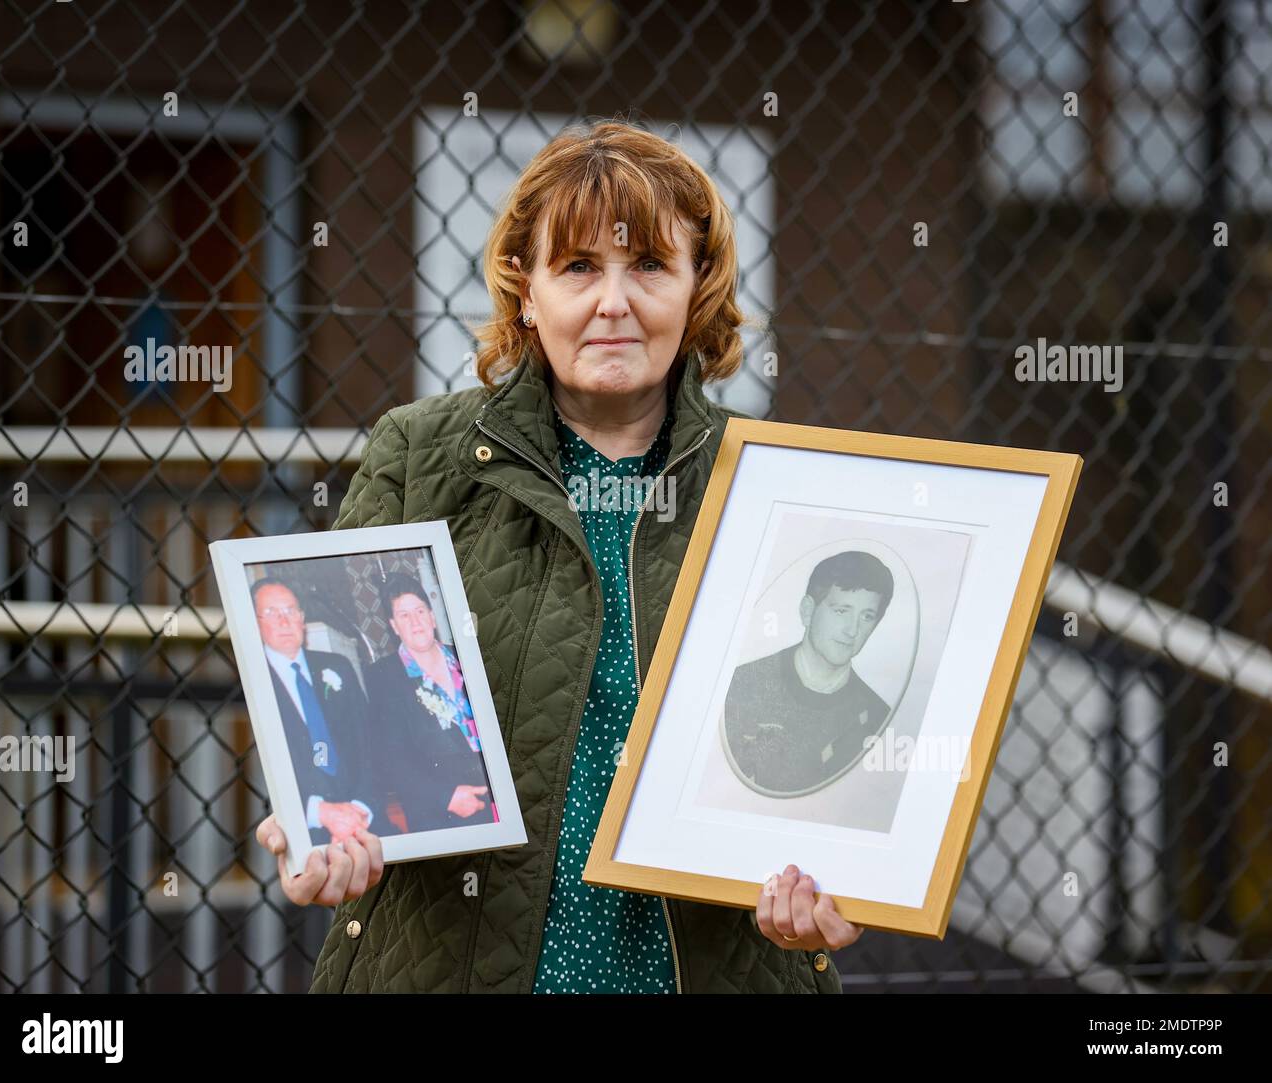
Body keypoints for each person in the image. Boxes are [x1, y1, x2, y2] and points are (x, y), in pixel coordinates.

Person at [256, 119, 863, 992]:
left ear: (698, 287)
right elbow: (344, 705)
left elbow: (822, 759)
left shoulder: (779, 486)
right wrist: (320, 823)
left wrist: (839, 874)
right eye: (578, 266)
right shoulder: (417, 457)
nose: (613, 301)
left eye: (648, 265)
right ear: (525, 290)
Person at [723, 550, 895, 794]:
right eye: (841, 611)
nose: (853, 630)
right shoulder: (741, 684)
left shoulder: (879, 718)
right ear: (807, 611)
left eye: (867, 616)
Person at [364, 572, 495, 832]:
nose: (415, 622)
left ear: (433, 617)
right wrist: (444, 796)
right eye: (404, 615)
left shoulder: (466, 657)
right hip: (441, 816)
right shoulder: (383, 675)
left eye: (420, 611)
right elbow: (390, 758)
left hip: (498, 800)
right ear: (394, 625)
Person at [252, 577, 376, 846]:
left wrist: (361, 809)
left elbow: (368, 742)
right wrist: (319, 812)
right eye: (272, 613)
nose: (284, 621)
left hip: (365, 819)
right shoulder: (251, 683)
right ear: (254, 623)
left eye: (290, 611)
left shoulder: (338, 666)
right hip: (300, 831)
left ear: (302, 619)